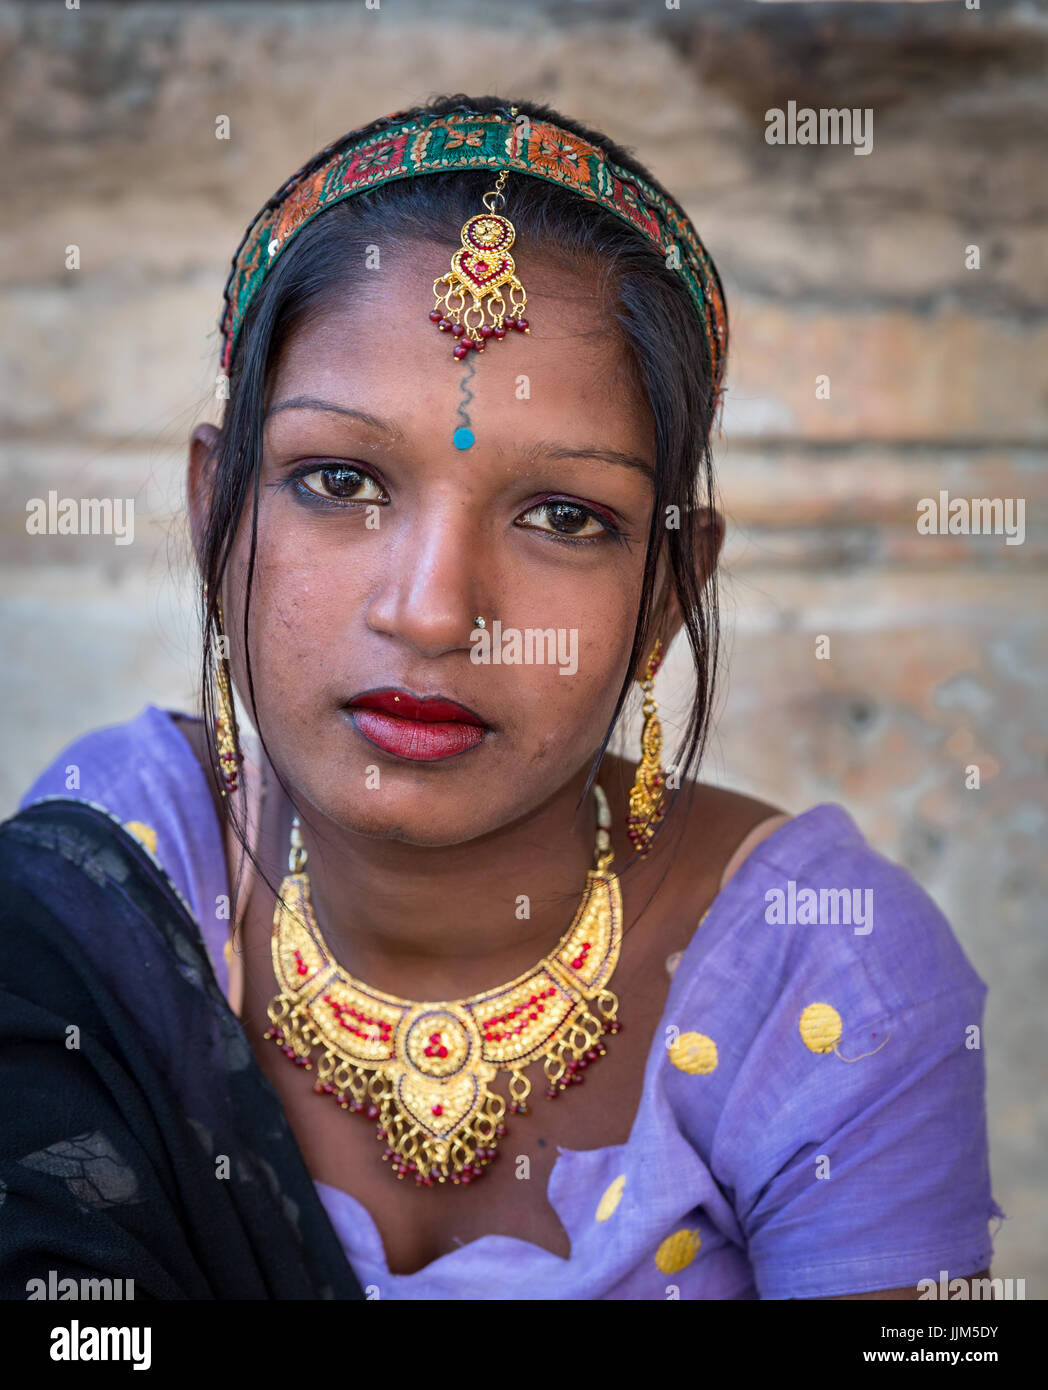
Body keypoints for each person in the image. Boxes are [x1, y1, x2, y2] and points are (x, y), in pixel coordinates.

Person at [0, 94, 1002, 1300]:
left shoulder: (827, 978)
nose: (432, 611)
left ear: (668, 591)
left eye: (563, 517)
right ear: (218, 512)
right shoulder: (107, 880)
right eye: (338, 479)